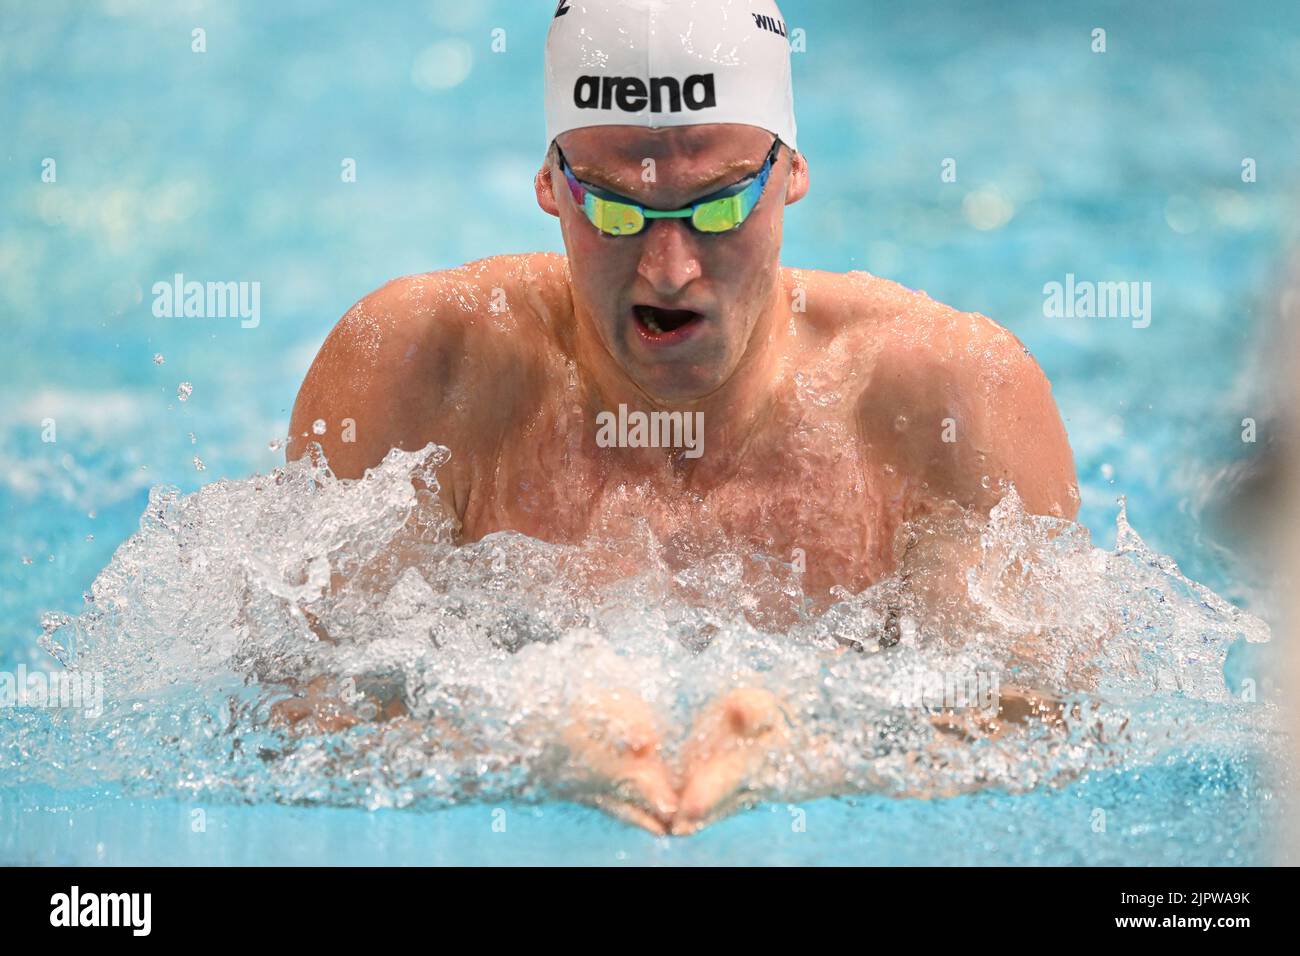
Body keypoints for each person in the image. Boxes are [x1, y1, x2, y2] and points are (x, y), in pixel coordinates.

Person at [285, 0, 1078, 835]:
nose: (669, 269)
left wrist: (815, 749)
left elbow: (1044, 725)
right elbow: (294, 712)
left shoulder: (948, 395)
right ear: (551, 184)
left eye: (719, 206)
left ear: (794, 171)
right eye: (617, 211)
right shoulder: (417, 370)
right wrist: (523, 743)